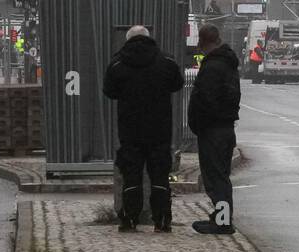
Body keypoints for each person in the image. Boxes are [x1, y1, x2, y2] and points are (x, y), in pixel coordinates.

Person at [102, 25, 184, 233]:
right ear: (149, 38)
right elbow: (177, 84)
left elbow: (109, 91)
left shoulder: (118, 63)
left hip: (130, 130)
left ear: (128, 40)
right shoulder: (166, 61)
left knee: (131, 175)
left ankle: (129, 218)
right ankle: (162, 219)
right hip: (160, 129)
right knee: (159, 175)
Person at [188, 23, 241, 236]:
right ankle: (221, 217)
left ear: (203, 42)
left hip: (213, 130)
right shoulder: (228, 64)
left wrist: (199, 123)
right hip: (225, 128)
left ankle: (222, 222)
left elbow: (206, 101)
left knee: (215, 177)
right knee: (221, 175)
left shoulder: (213, 67)